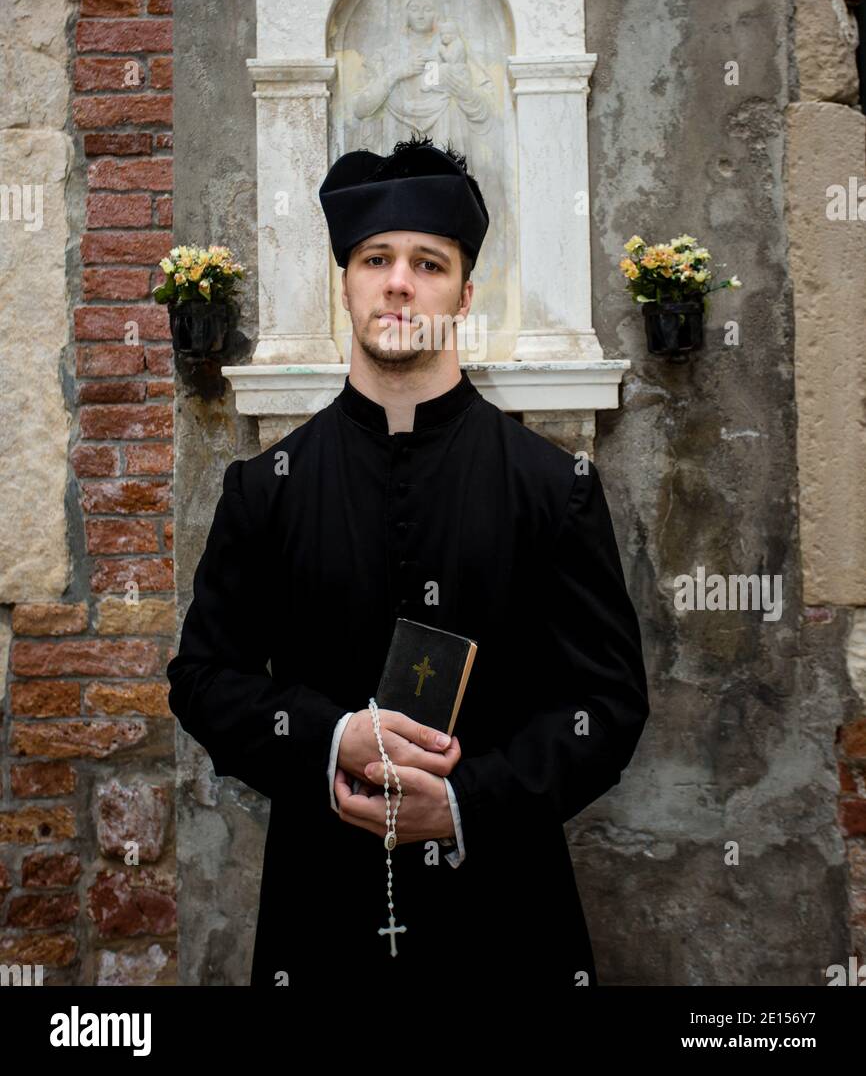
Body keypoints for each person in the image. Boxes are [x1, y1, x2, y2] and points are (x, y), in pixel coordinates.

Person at [166, 132, 650, 996]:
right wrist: (332, 736)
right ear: (344, 283)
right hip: (320, 914)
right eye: (375, 258)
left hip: (509, 919)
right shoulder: (264, 491)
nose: (399, 281)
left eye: (429, 262)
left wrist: (470, 801)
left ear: (466, 292)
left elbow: (607, 706)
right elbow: (203, 678)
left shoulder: (555, 488)